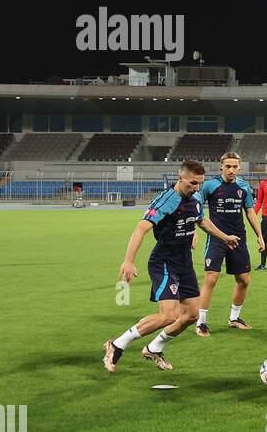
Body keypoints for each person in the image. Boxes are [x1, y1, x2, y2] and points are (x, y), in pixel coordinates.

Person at [103, 160, 242, 374]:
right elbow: (141, 228)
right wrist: (129, 261)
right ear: (180, 178)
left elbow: (202, 221)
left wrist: (224, 238)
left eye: (200, 183)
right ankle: (117, 344)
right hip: (164, 262)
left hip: (184, 262)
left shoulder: (195, 197)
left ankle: (154, 348)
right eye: (193, 183)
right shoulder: (166, 200)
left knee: (192, 315)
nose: (196, 188)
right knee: (168, 315)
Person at [195, 152, 265, 336]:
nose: (231, 170)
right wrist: (194, 232)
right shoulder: (210, 186)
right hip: (217, 238)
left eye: (234, 167)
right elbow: (196, 210)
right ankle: (201, 322)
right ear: (221, 167)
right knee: (211, 277)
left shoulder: (244, 187)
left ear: (239, 168)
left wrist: (259, 235)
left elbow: (250, 211)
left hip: (238, 239)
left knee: (244, 279)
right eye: (228, 166)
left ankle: (234, 318)